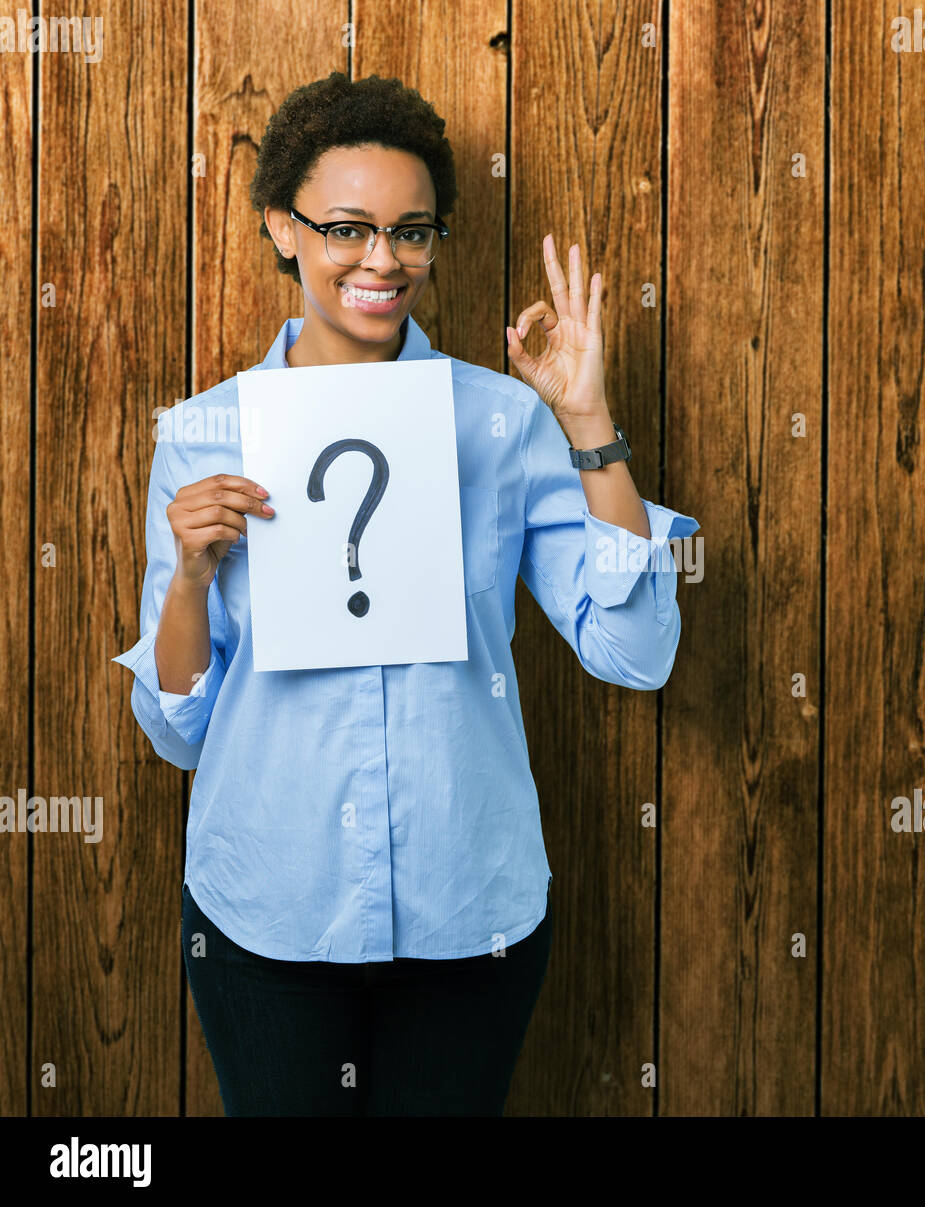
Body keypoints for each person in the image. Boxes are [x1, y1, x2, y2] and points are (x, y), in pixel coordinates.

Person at [112, 72, 700, 1117]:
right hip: (270, 911)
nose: (383, 260)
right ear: (281, 228)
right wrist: (193, 577)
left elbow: (635, 649)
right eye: (346, 228)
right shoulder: (203, 435)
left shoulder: (500, 423)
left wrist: (589, 425)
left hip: (465, 911)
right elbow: (180, 730)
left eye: (411, 231)